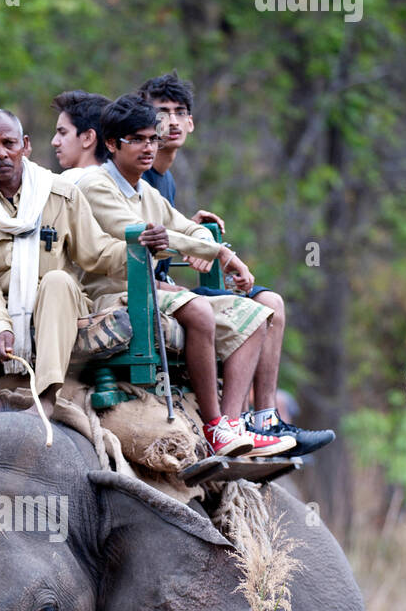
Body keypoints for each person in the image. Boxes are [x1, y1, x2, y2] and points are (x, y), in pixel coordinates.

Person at [78, 94, 296, 458]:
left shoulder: (146, 191)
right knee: (198, 310)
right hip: (109, 293)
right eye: (138, 140)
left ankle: (233, 426)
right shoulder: (94, 185)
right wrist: (219, 252)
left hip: (149, 289)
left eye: (152, 139)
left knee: (256, 315)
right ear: (113, 144)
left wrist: (209, 244)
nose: (148, 148)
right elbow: (139, 231)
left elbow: (185, 230)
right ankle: (213, 428)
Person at [139, 72, 334, 455]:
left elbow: (166, 228)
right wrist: (202, 249)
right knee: (253, 313)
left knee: (273, 304)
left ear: (192, 123)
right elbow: (141, 237)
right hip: (151, 288)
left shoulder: (167, 179)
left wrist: (194, 233)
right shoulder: (139, 171)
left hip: (168, 285)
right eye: (162, 113)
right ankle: (227, 428)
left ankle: (263, 420)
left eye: (180, 113)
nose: (172, 122)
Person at [0, 107, 141, 415]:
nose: (1, 154)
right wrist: (1, 327)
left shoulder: (61, 194)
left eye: (8, 144)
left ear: (25, 145)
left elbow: (97, 253)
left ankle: (49, 396)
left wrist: (141, 248)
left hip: (53, 303)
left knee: (57, 280)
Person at [50, 90, 108, 183]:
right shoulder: (114, 183)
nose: (54, 142)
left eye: (63, 133)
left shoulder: (69, 184)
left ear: (88, 138)